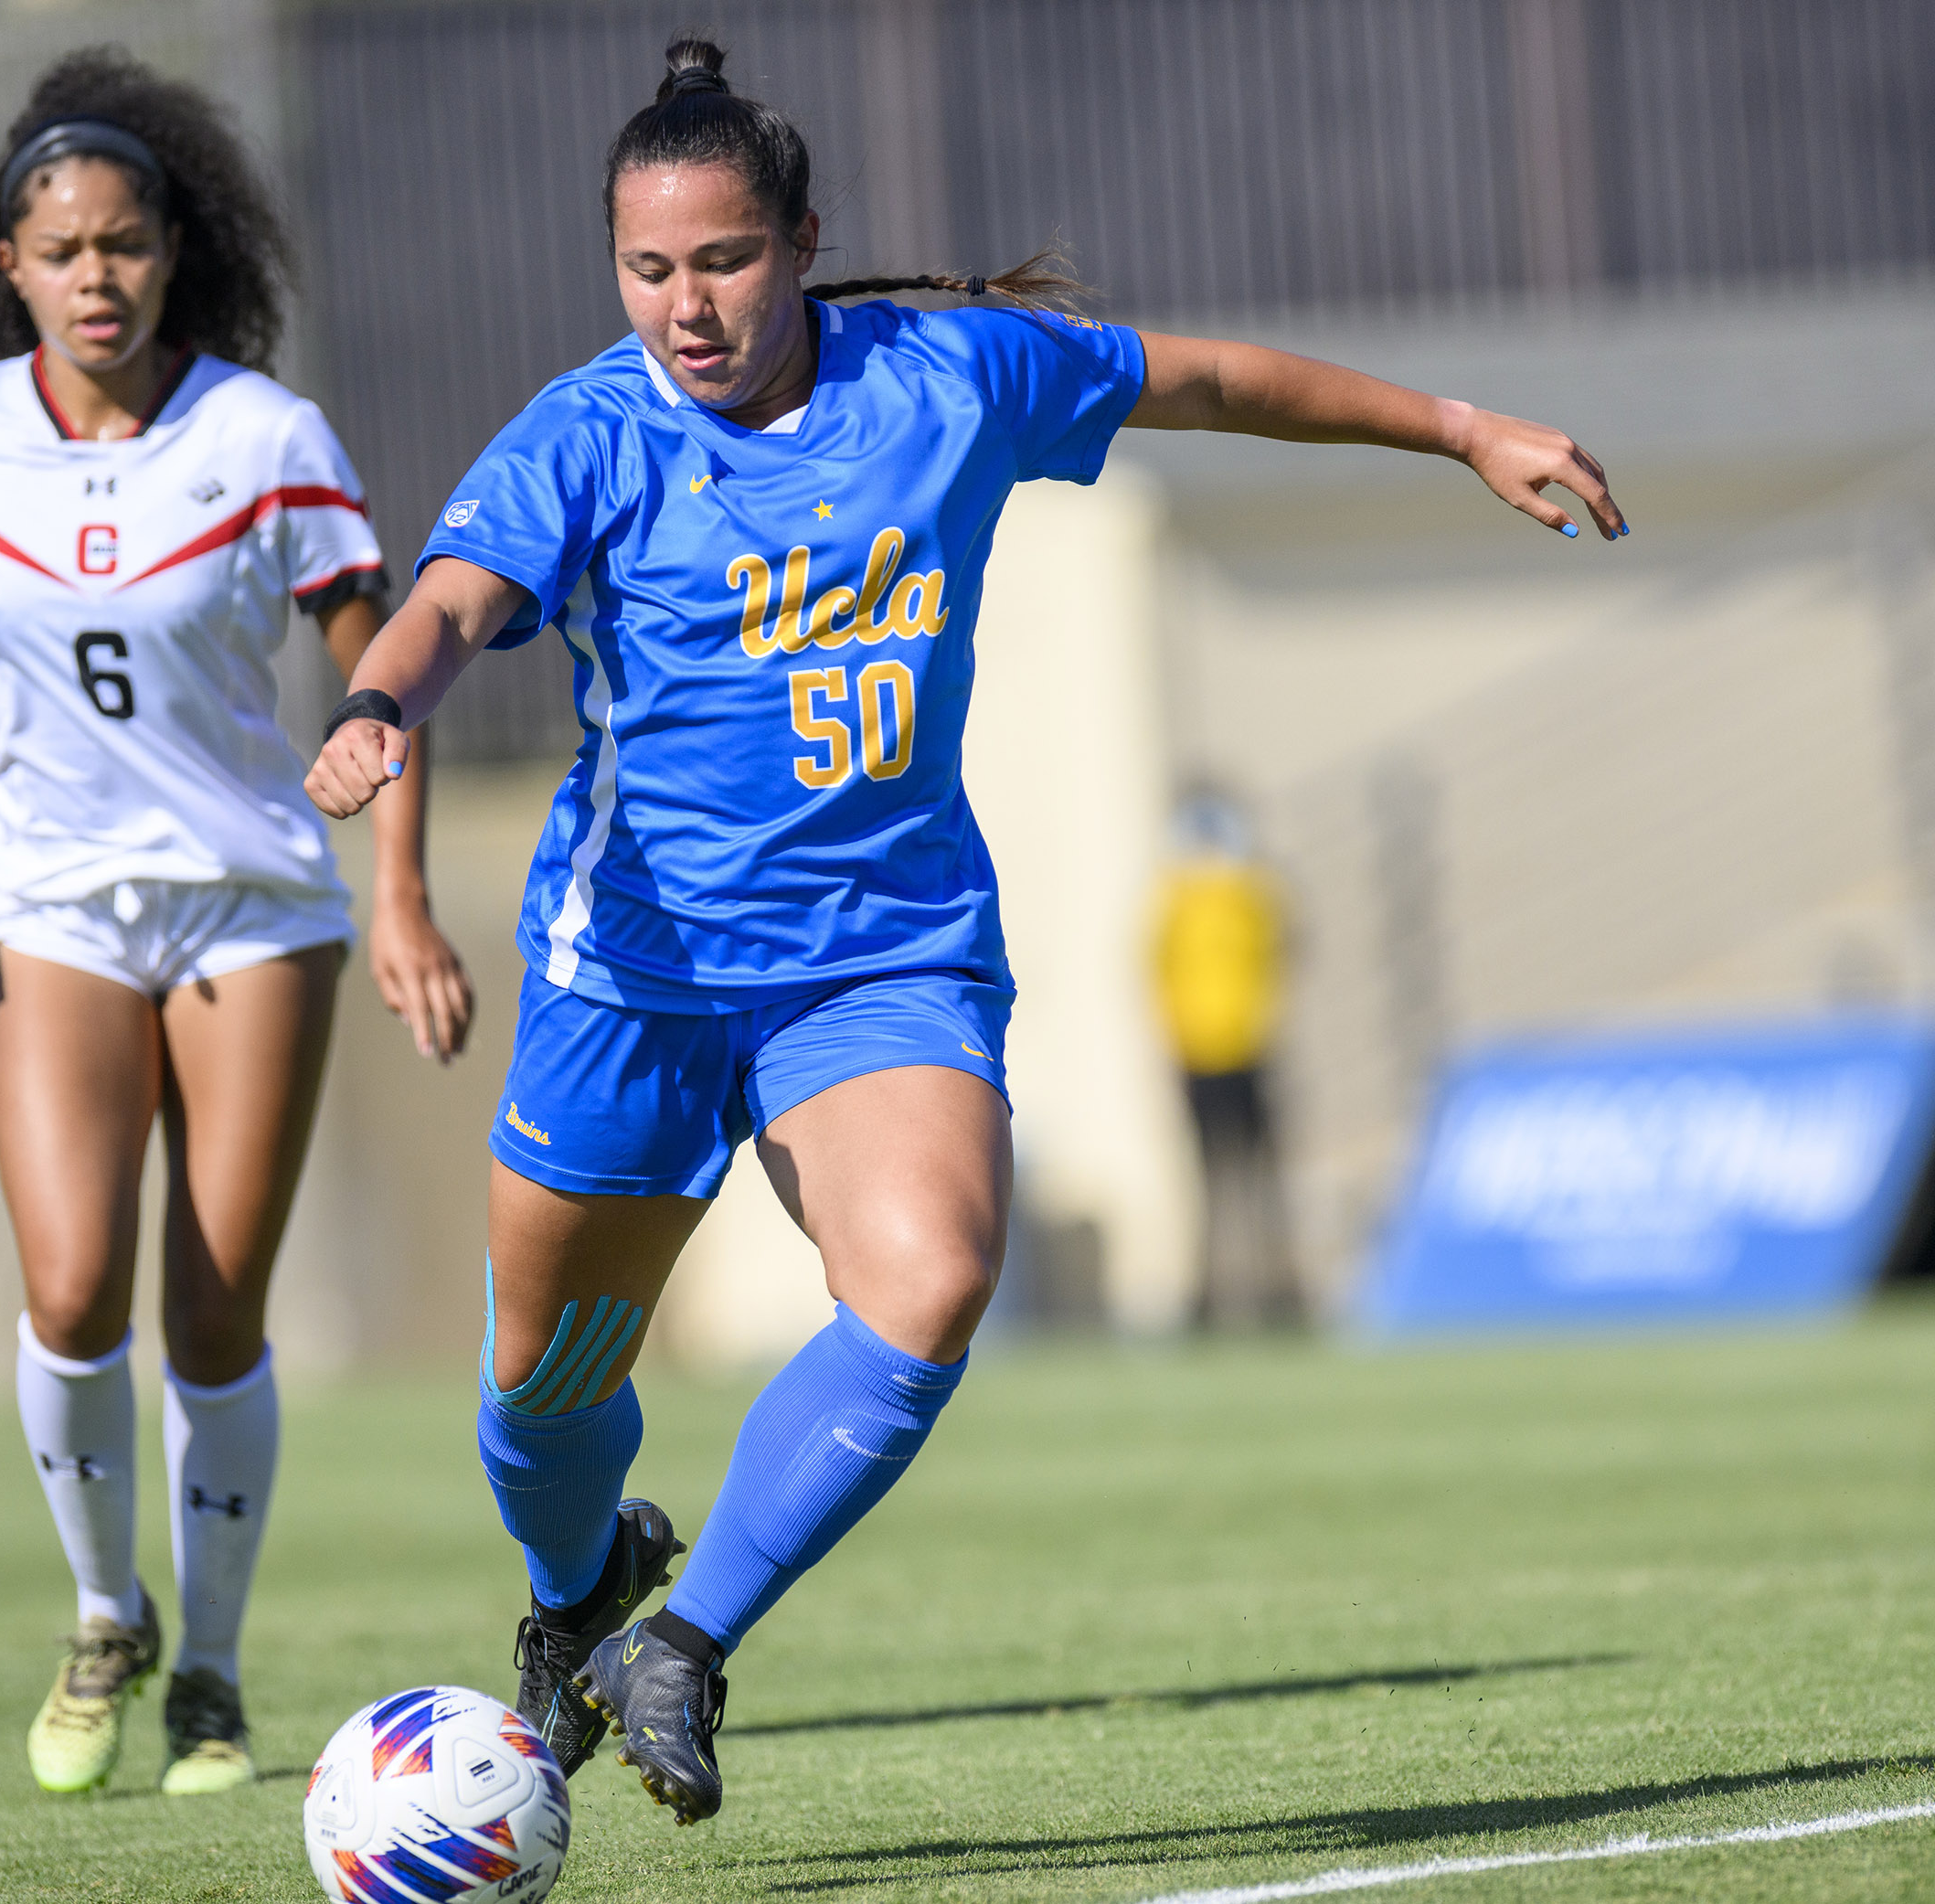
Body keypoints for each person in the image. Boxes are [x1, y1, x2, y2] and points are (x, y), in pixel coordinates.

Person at [304, 37, 1624, 1827]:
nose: (686, 307)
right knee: (543, 1403)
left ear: (802, 241)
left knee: (925, 1285)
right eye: (648, 270)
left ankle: (685, 1639)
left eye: (724, 262)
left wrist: (1460, 427)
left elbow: (1213, 376)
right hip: (634, 982)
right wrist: (385, 700)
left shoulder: (951, 376)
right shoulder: (588, 432)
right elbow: (452, 600)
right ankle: (579, 1583)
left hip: (881, 955)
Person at [0, 48, 474, 1798]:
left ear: (175, 250)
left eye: (126, 242)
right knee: (67, 1281)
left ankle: (212, 1673)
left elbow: (378, 679)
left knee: (213, 1315)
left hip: (259, 903)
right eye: (62, 251)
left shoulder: (267, 440)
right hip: (50, 902)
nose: (96, 274)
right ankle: (105, 1611)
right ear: (8, 267)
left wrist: (400, 894)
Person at [1153, 788, 1303, 1328]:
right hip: (1202, 1057)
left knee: (1261, 1181)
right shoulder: (1182, 899)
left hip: (1250, 1051)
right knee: (1215, 1184)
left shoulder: (1252, 893)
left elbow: (1284, 950)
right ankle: (1209, 1300)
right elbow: (1160, 976)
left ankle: (1281, 1294)